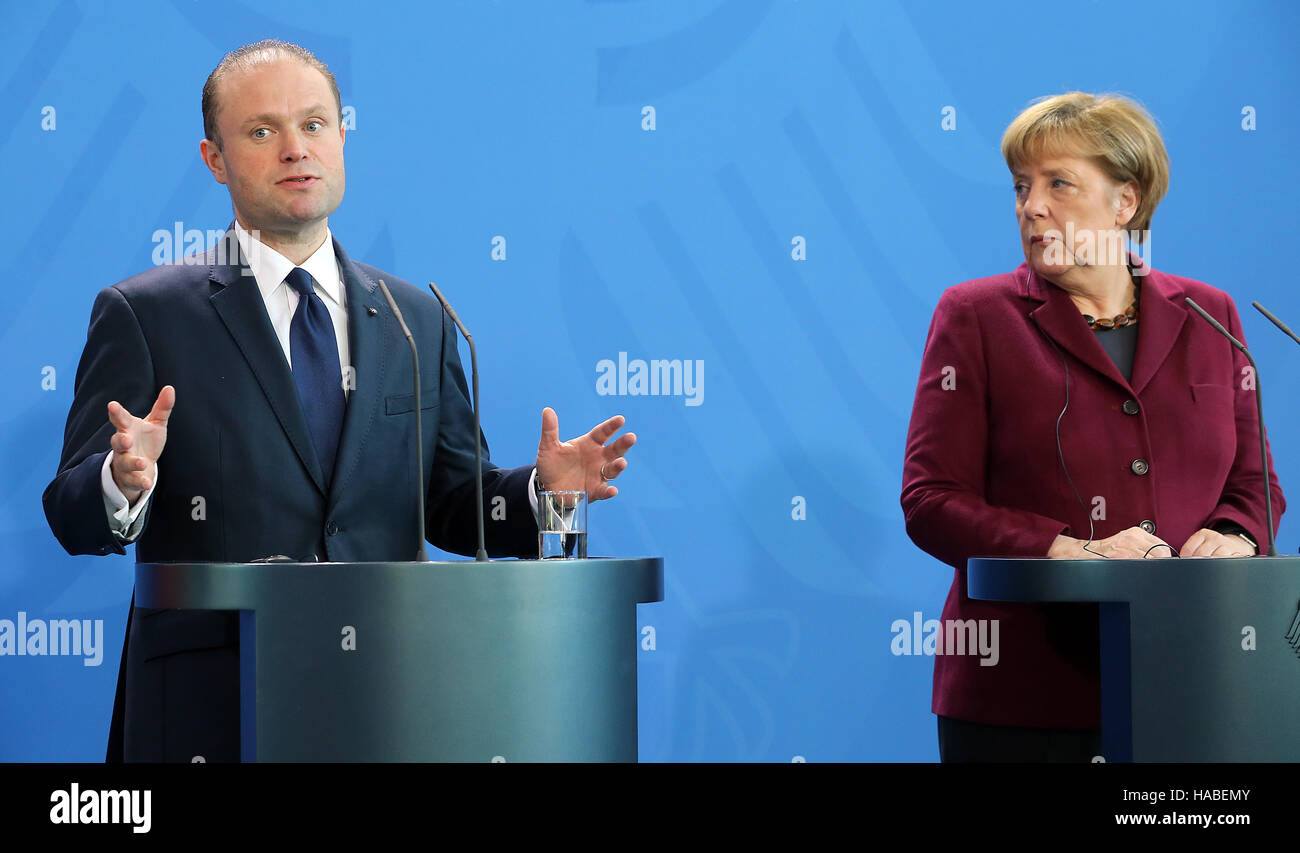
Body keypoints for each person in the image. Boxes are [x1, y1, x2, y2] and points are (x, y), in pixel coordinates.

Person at [42, 40, 636, 762]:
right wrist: (120, 482)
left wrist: (544, 493)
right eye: (263, 131)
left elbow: (451, 502)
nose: (296, 149)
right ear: (214, 159)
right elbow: (71, 510)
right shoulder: (145, 312)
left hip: (389, 696)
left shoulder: (417, 315)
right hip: (214, 708)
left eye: (315, 125)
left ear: (342, 136)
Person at [900, 92, 1284, 762]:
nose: (1031, 206)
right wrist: (1066, 549)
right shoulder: (976, 316)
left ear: (1125, 202)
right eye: (1022, 186)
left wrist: (1234, 532)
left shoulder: (1211, 313)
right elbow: (931, 501)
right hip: (1023, 697)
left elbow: (1255, 486)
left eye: (1059, 184)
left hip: (1198, 684)